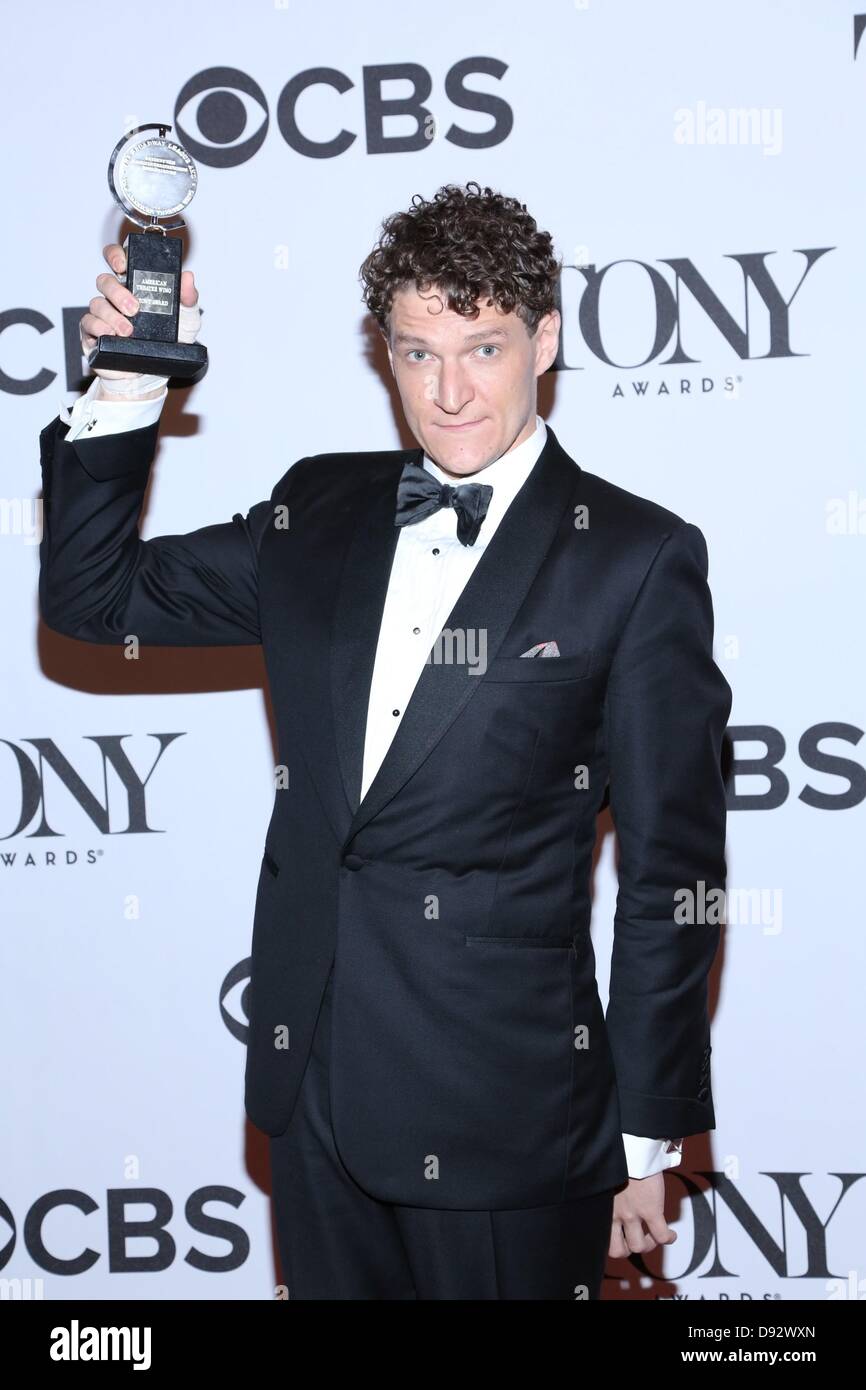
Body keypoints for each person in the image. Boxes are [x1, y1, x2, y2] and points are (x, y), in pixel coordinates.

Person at [38, 181, 731, 1300]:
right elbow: (92, 601)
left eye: (482, 348)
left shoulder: (635, 558)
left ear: (544, 339)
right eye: (415, 353)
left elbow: (671, 875)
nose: (447, 392)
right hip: (311, 1097)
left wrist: (646, 1139)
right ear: (384, 352)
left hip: (507, 1116)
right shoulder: (319, 510)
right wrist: (127, 384)